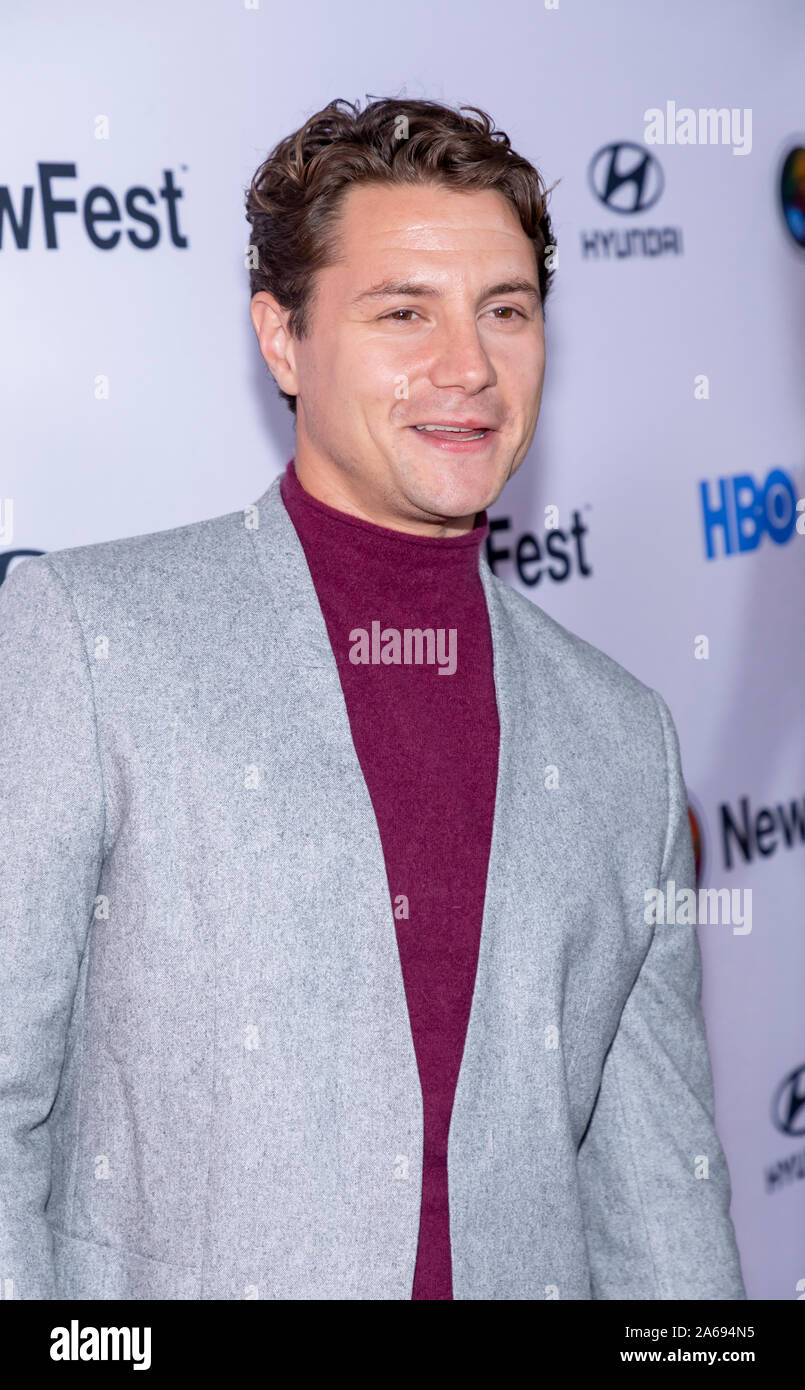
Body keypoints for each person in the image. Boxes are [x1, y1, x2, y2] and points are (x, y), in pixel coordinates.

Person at [0, 96, 746, 1300]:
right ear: (282, 340)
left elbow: (661, 1202)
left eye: (506, 310)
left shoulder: (624, 739)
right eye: (404, 311)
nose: (468, 365)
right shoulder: (90, 644)